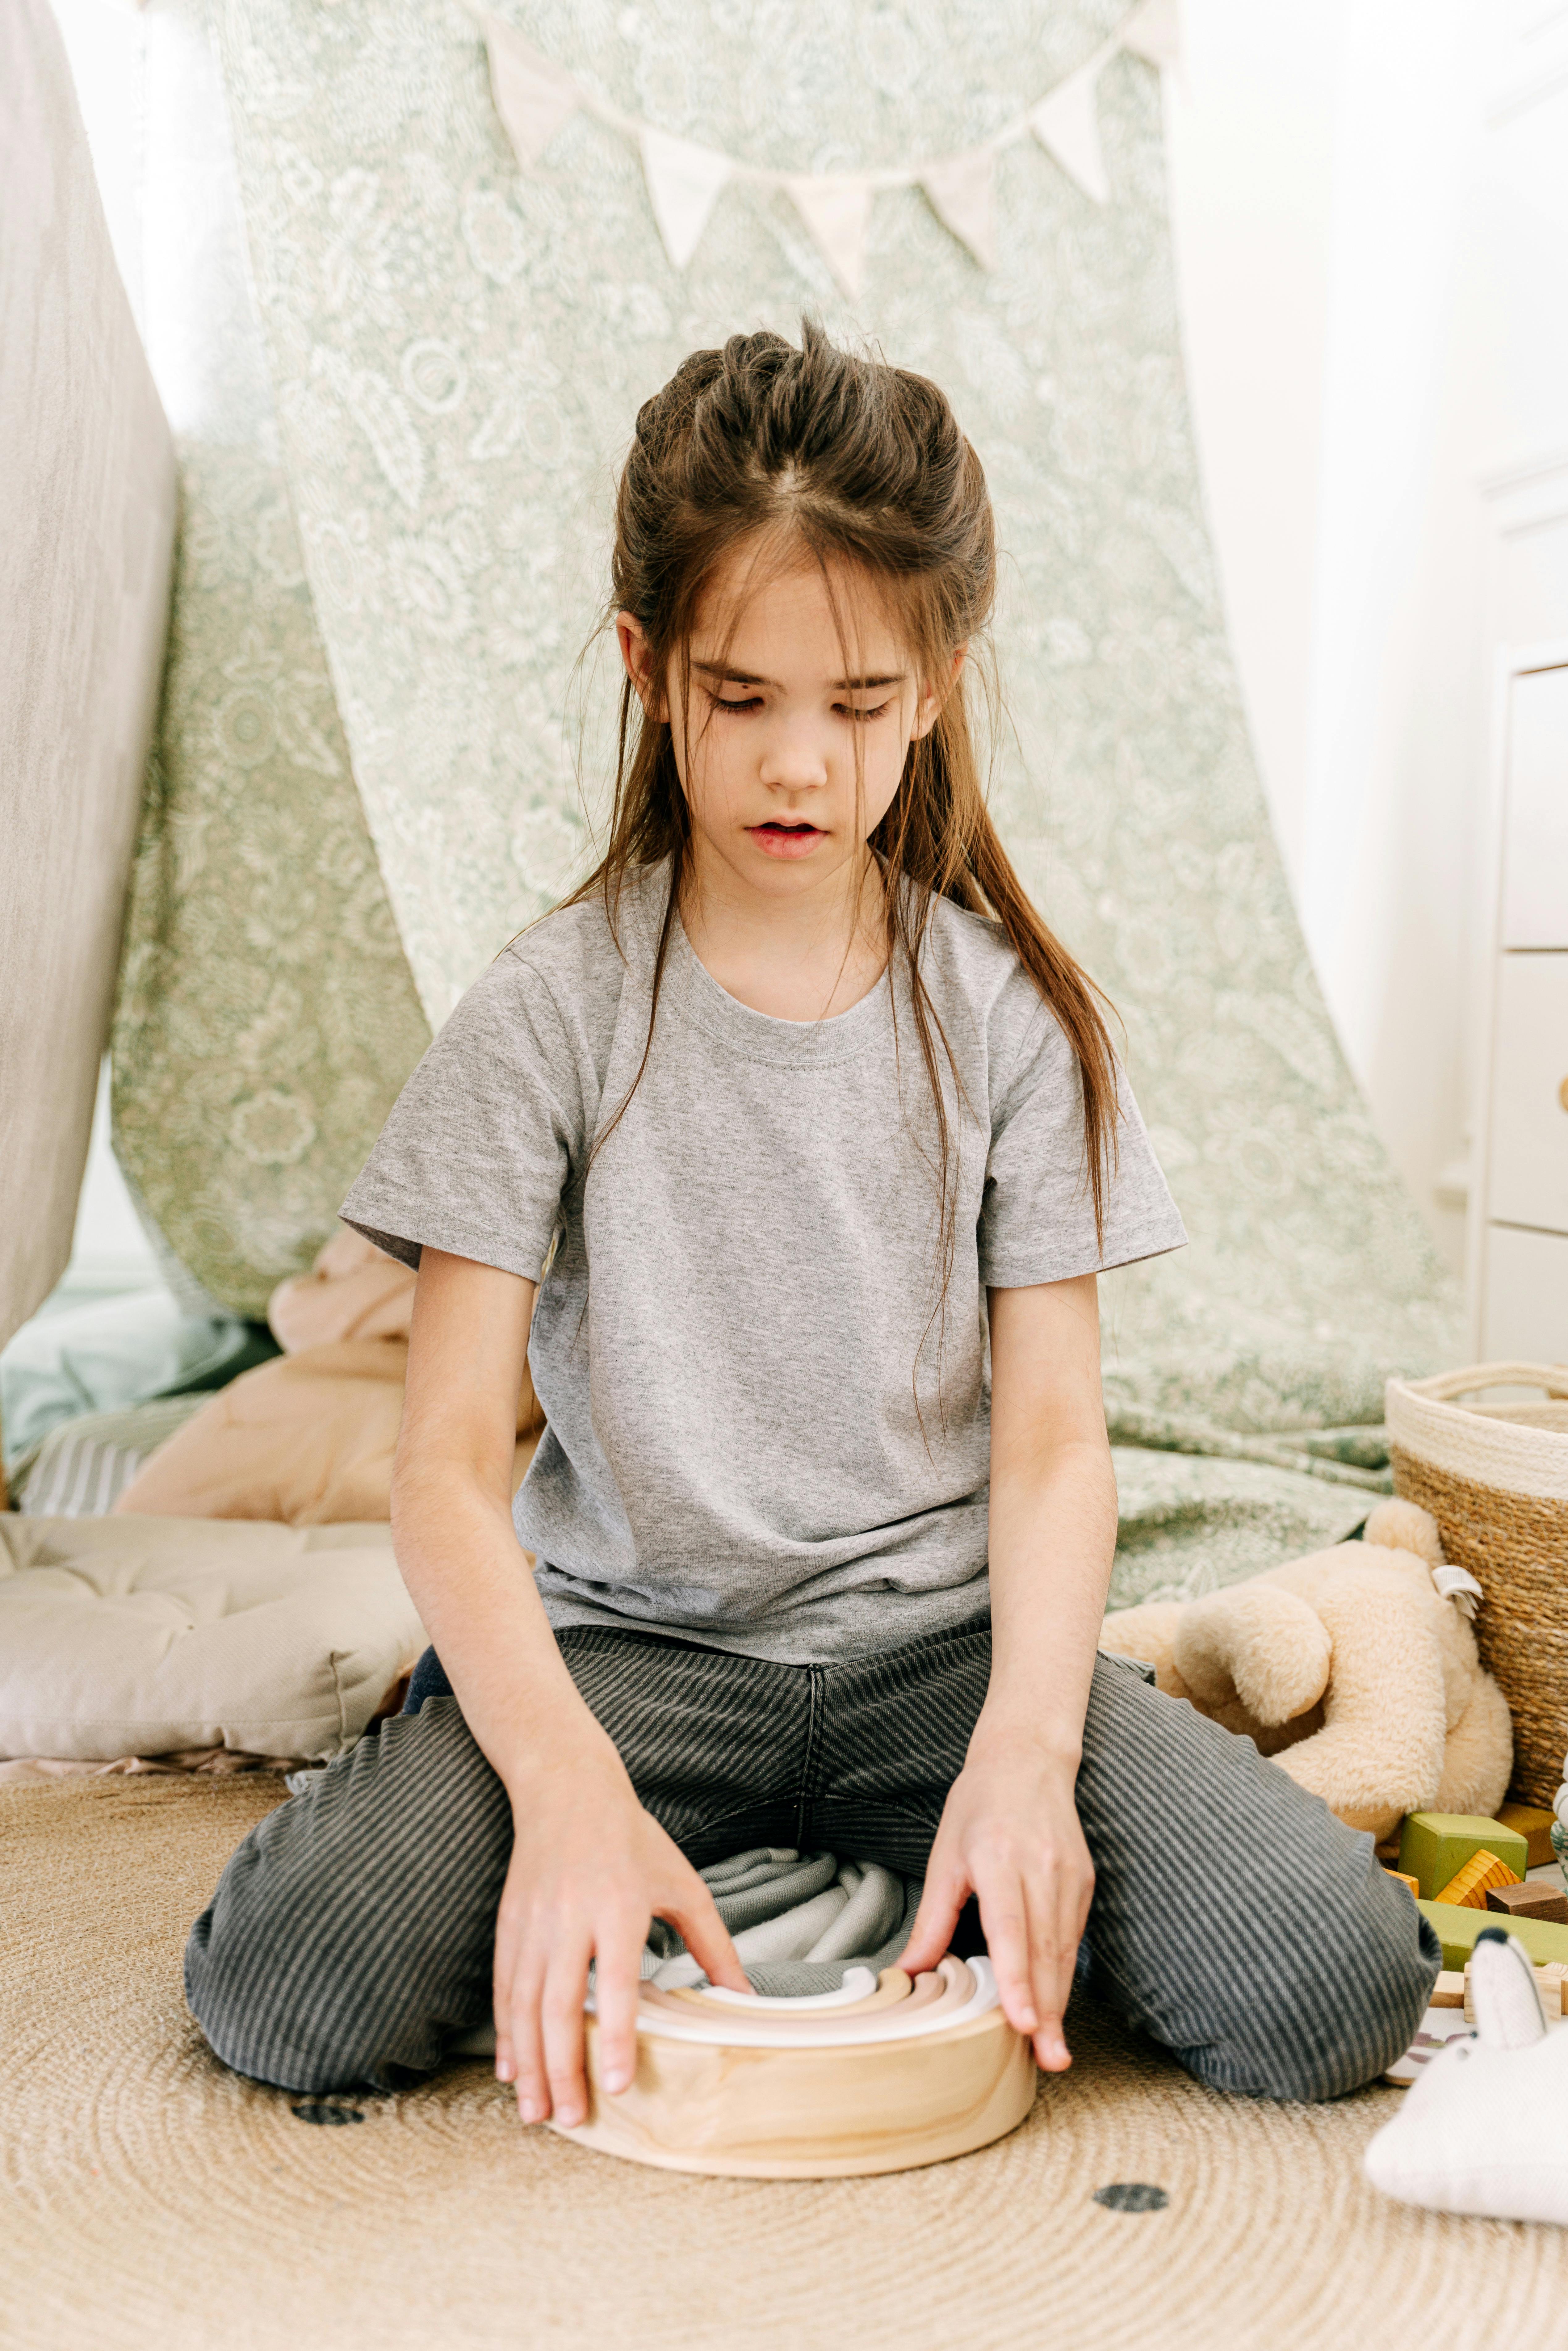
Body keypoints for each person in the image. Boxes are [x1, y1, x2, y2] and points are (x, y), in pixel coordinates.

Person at [185, 322, 1436, 2123]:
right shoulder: (545, 1013)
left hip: (939, 1666)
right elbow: (445, 1464)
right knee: (292, 1996)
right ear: (647, 669)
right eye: (741, 697)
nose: (798, 765)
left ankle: (846, 1889)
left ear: (932, 685)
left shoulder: (1011, 1021)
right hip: (628, 1668)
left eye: (855, 707)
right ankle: (659, 1876)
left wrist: (1028, 1745)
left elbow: (1055, 1440)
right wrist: (558, 1789)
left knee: (1330, 1986)